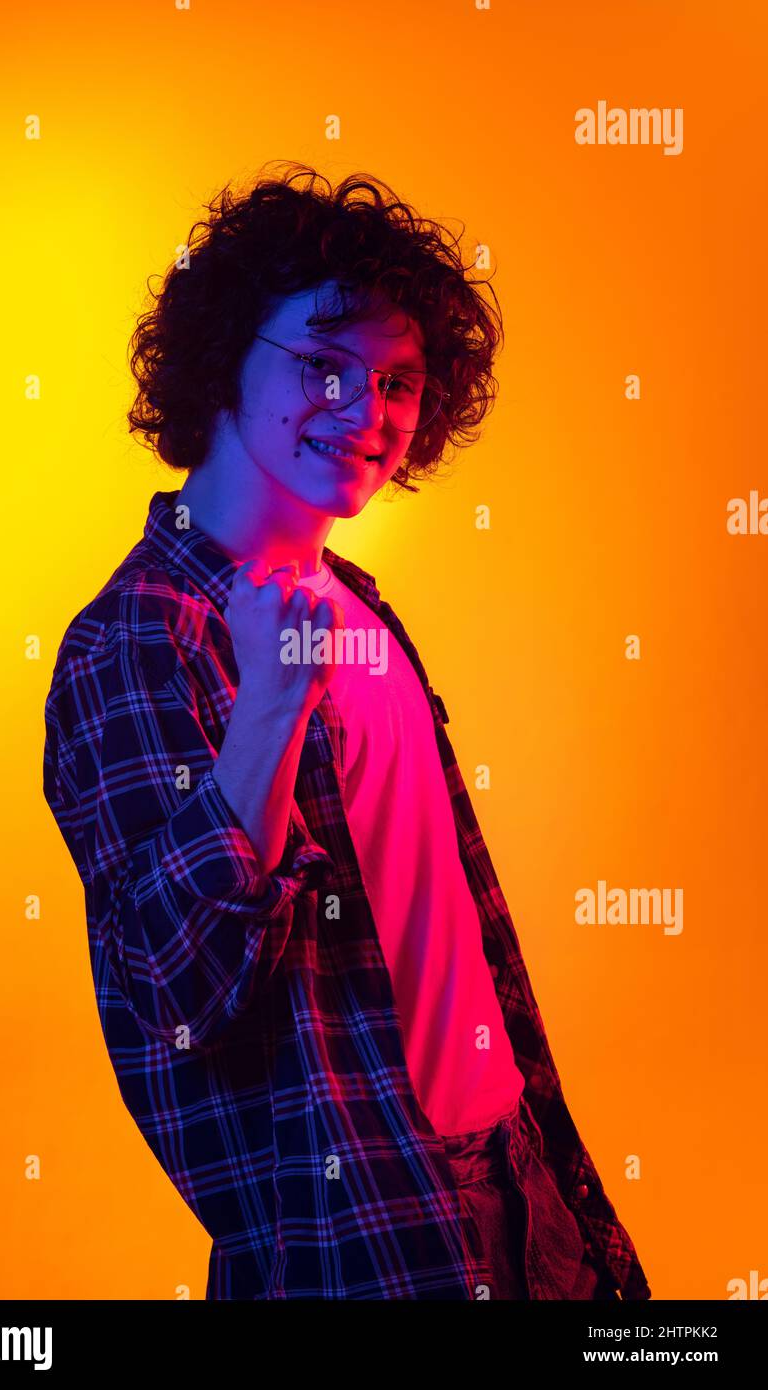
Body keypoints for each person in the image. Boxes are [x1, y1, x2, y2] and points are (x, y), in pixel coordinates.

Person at [42, 163, 650, 1301]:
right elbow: (181, 988)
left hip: (516, 1193)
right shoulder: (134, 641)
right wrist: (268, 709)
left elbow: (460, 942)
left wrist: (564, 1197)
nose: (368, 412)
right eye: (324, 366)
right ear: (224, 358)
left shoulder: (363, 606)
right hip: (362, 1233)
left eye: (400, 382)